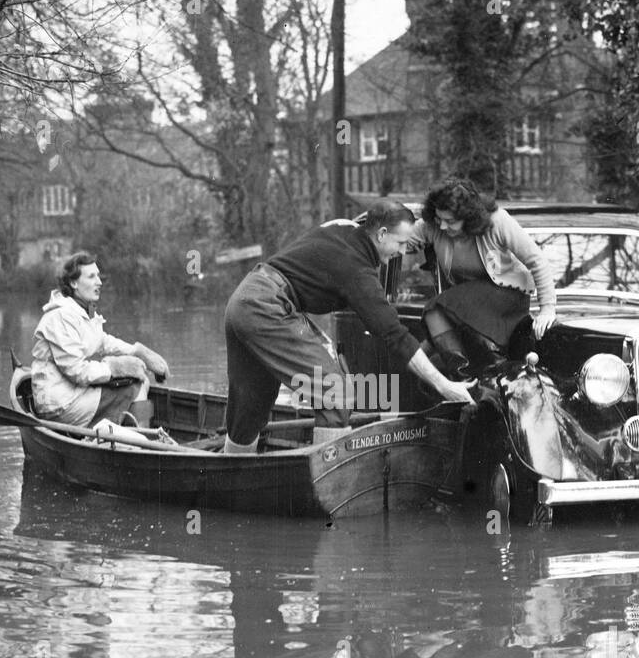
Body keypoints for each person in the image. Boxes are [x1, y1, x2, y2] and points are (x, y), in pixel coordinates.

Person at [221, 199, 475, 454]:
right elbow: (394, 334)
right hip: (267, 307)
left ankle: (231, 477)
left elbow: (370, 217)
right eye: (400, 243)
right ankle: (326, 486)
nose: (402, 251)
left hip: (244, 299)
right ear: (382, 234)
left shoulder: (344, 228)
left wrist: (422, 212)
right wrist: (444, 385)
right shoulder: (357, 270)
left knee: (249, 407)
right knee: (336, 392)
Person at [413, 177, 556, 377]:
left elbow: (537, 261)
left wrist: (547, 308)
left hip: (506, 297)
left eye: (451, 221)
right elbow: (398, 239)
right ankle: (464, 375)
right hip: (466, 304)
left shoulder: (497, 221)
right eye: (439, 219)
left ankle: (492, 371)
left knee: (436, 307)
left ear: (469, 217)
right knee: (434, 313)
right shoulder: (434, 225)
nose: (443, 227)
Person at [31, 252, 170, 429]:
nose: (99, 282)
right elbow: (77, 371)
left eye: (98, 275)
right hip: (58, 405)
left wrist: (137, 352)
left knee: (138, 381)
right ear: (74, 283)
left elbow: (103, 341)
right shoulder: (61, 316)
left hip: (73, 394)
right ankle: (141, 439)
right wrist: (115, 368)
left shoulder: (82, 310)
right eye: (91, 276)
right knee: (137, 385)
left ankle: (131, 435)